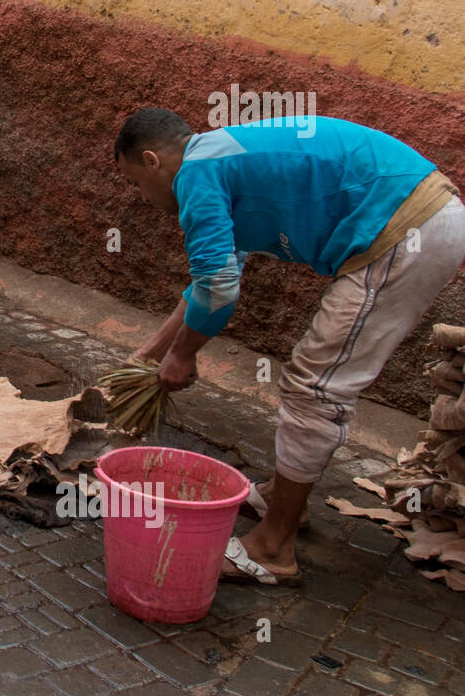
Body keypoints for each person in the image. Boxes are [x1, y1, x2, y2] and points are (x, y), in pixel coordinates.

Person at [114, 107, 465, 585]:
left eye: (135, 182)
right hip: (416, 217)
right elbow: (213, 279)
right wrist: (150, 355)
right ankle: (284, 499)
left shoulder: (196, 173)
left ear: (152, 160)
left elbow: (218, 289)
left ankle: (273, 549)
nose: (142, 195)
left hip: (405, 229)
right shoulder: (219, 157)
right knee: (315, 380)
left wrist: (182, 356)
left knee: (315, 386)